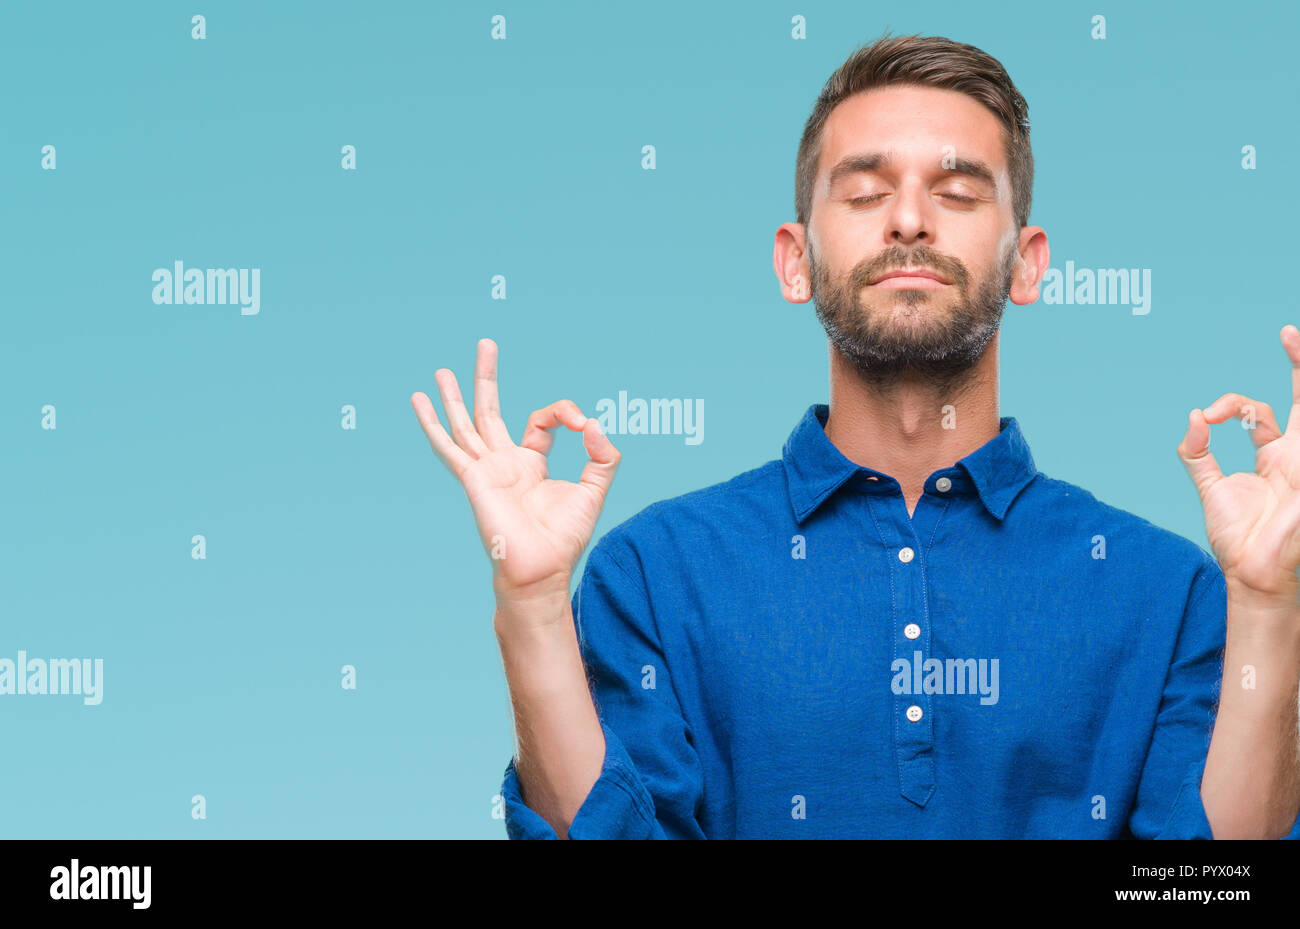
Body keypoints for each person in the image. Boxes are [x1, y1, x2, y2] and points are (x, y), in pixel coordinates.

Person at [411, 33, 1300, 839]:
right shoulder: (654, 569)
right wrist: (530, 602)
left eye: (955, 192)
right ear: (795, 260)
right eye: (867, 191)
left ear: (1026, 265)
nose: (908, 219)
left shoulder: (1169, 589)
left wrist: (1267, 601)